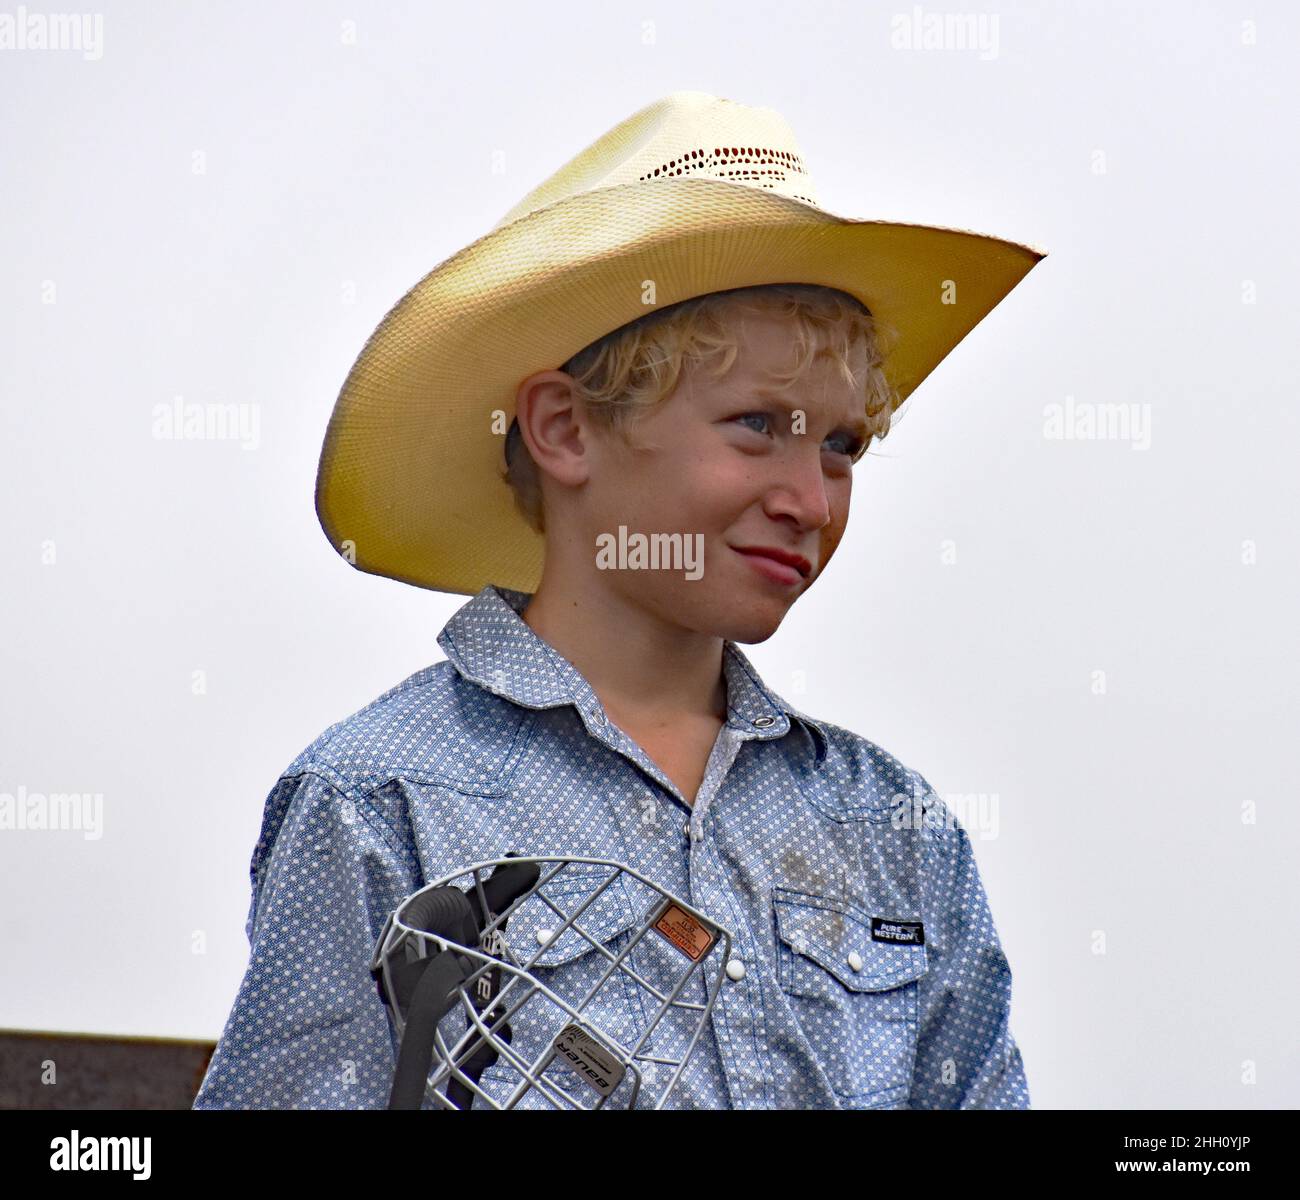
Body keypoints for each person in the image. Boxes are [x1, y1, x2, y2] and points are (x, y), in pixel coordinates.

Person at [193, 91, 1043, 1110]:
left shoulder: (892, 828)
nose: (809, 500)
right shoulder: (380, 800)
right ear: (563, 430)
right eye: (754, 425)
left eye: (840, 445)